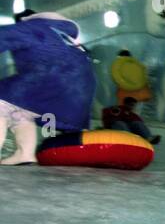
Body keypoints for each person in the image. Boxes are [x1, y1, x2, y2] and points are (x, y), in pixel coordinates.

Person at [0, 10, 95, 165]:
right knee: (20, 111)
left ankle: (25, 153)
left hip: (49, 83)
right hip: (79, 96)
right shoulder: (64, 34)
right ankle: (24, 154)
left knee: (2, 100)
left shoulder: (31, 27)